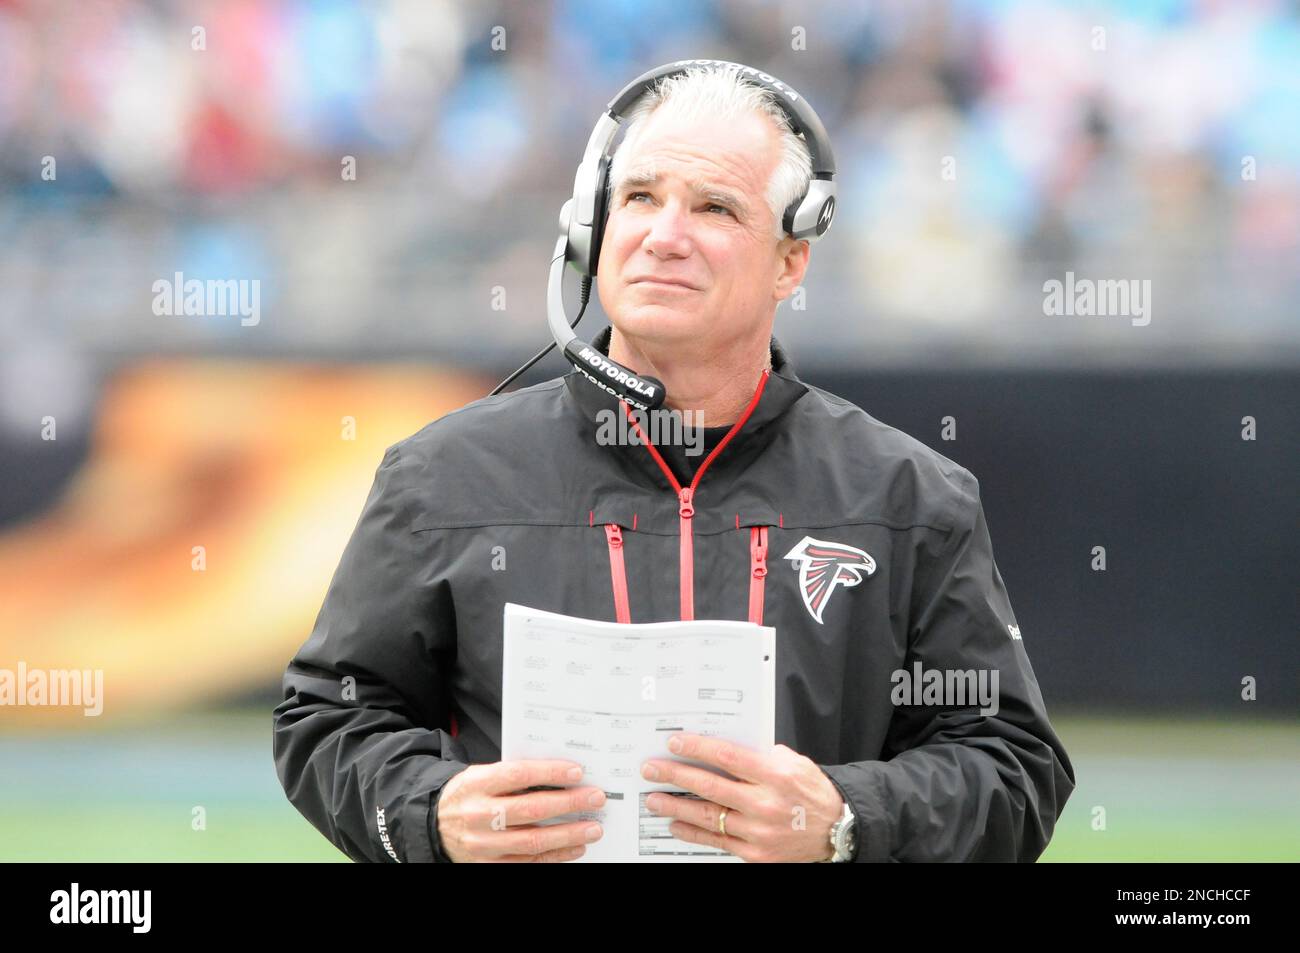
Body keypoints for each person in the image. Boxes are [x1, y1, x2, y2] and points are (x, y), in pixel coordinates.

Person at [273, 64, 1074, 863]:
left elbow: (1015, 769)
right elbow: (329, 718)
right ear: (593, 227)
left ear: (790, 262)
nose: (664, 235)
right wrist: (431, 813)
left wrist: (845, 818)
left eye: (715, 207)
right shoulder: (441, 478)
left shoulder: (910, 498)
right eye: (640, 198)